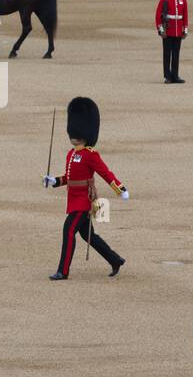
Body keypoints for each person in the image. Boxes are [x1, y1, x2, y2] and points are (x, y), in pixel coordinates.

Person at [42, 97, 128, 281]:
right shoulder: (71, 154)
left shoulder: (91, 155)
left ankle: (63, 271)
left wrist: (120, 189)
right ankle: (115, 260)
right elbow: (69, 178)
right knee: (89, 235)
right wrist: (54, 181)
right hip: (73, 200)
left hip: (83, 202)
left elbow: (105, 173)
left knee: (68, 230)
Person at [155, 0, 188, 84]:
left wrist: (185, 30)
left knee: (176, 55)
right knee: (167, 54)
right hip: (168, 30)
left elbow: (185, 16)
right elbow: (158, 16)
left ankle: (175, 75)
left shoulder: (182, 0)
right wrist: (161, 30)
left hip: (178, 31)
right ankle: (167, 76)